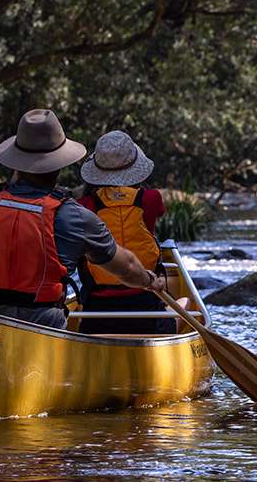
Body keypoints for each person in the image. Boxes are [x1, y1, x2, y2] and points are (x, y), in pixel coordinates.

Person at [0, 109, 160, 329]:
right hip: (43, 327)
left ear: (14, 162)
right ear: (60, 165)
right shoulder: (77, 217)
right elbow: (127, 268)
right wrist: (150, 281)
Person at [77, 130, 187, 335]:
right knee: (185, 301)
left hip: (98, 308)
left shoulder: (84, 204)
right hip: (145, 304)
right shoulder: (151, 198)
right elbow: (158, 213)